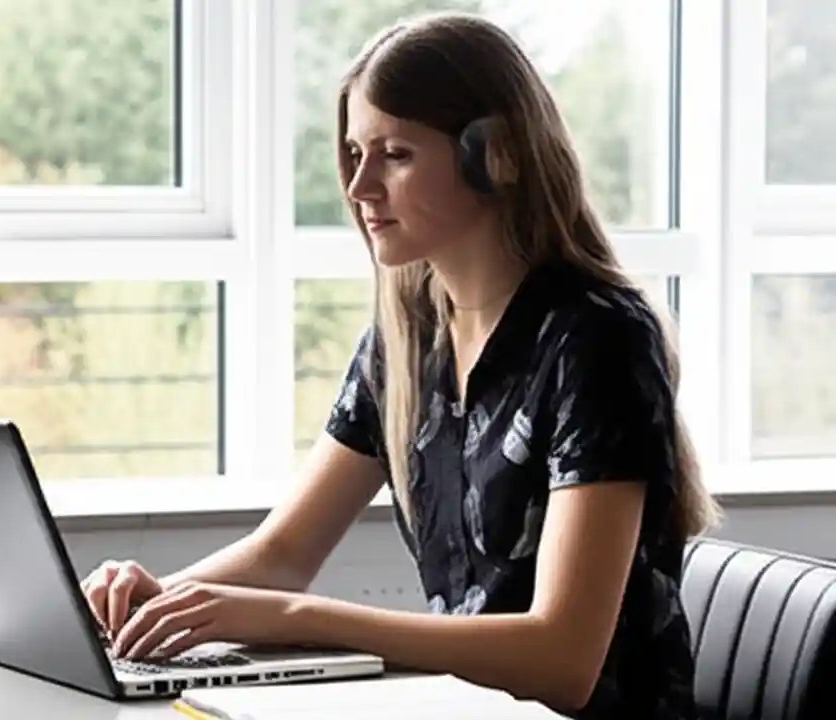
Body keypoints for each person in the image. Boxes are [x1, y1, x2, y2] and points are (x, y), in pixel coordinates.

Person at [79, 12, 722, 719]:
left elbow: (562, 660)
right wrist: (138, 616)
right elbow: (281, 555)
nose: (359, 187)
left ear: (495, 155)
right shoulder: (405, 342)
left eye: (395, 154)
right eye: (354, 153)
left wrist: (299, 619)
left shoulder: (596, 338)